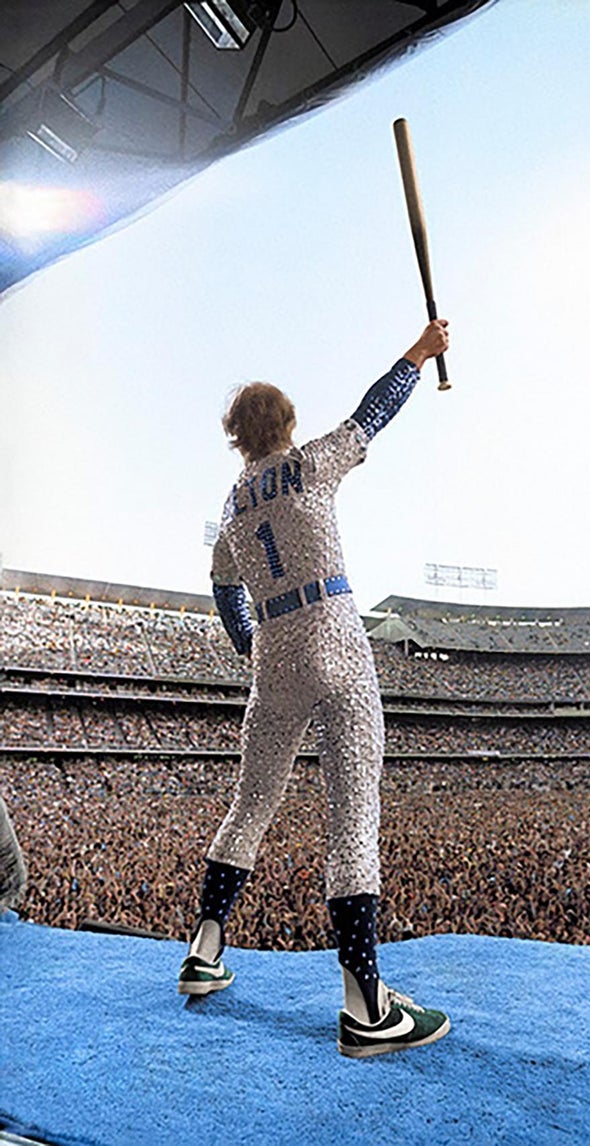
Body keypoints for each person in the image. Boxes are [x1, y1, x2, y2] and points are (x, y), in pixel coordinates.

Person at [178, 319, 451, 1058]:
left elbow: (225, 594)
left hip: (273, 656)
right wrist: (419, 354)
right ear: (288, 425)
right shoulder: (311, 464)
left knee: (251, 804)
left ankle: (205, 951)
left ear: (237, 440)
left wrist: (251, 648)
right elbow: (374, 413)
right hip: (332, 636)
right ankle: (366, 1006)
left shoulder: (232, 512)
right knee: (353, 813)